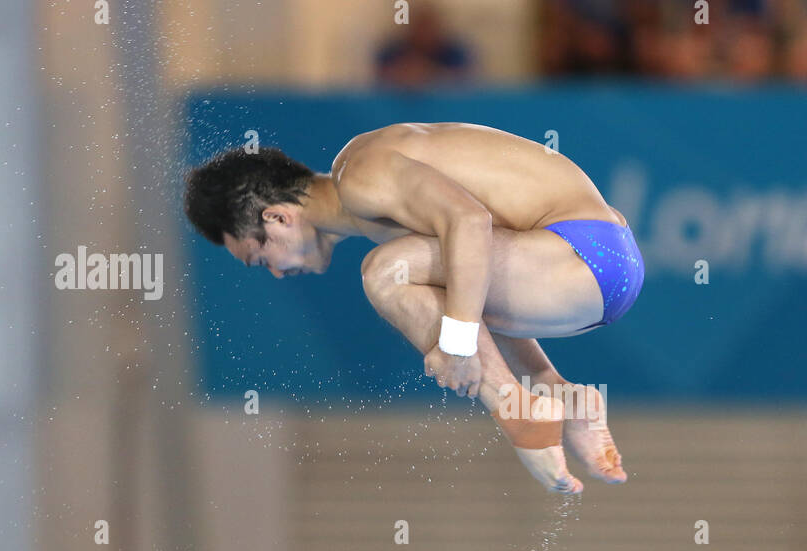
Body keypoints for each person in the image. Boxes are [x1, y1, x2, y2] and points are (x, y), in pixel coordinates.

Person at [184, 123, 644, 494]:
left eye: (260, 258)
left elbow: (469, 220)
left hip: (586, 255)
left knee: (386, 273)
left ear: (277, 217)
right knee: (458, 282)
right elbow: (474, 267)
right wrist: (496, 351)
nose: (276, 273)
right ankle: (560, 393)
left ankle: (519, 413)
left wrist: (458, 346)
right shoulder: (366, 182)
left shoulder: (361, 177)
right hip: (599, 261)